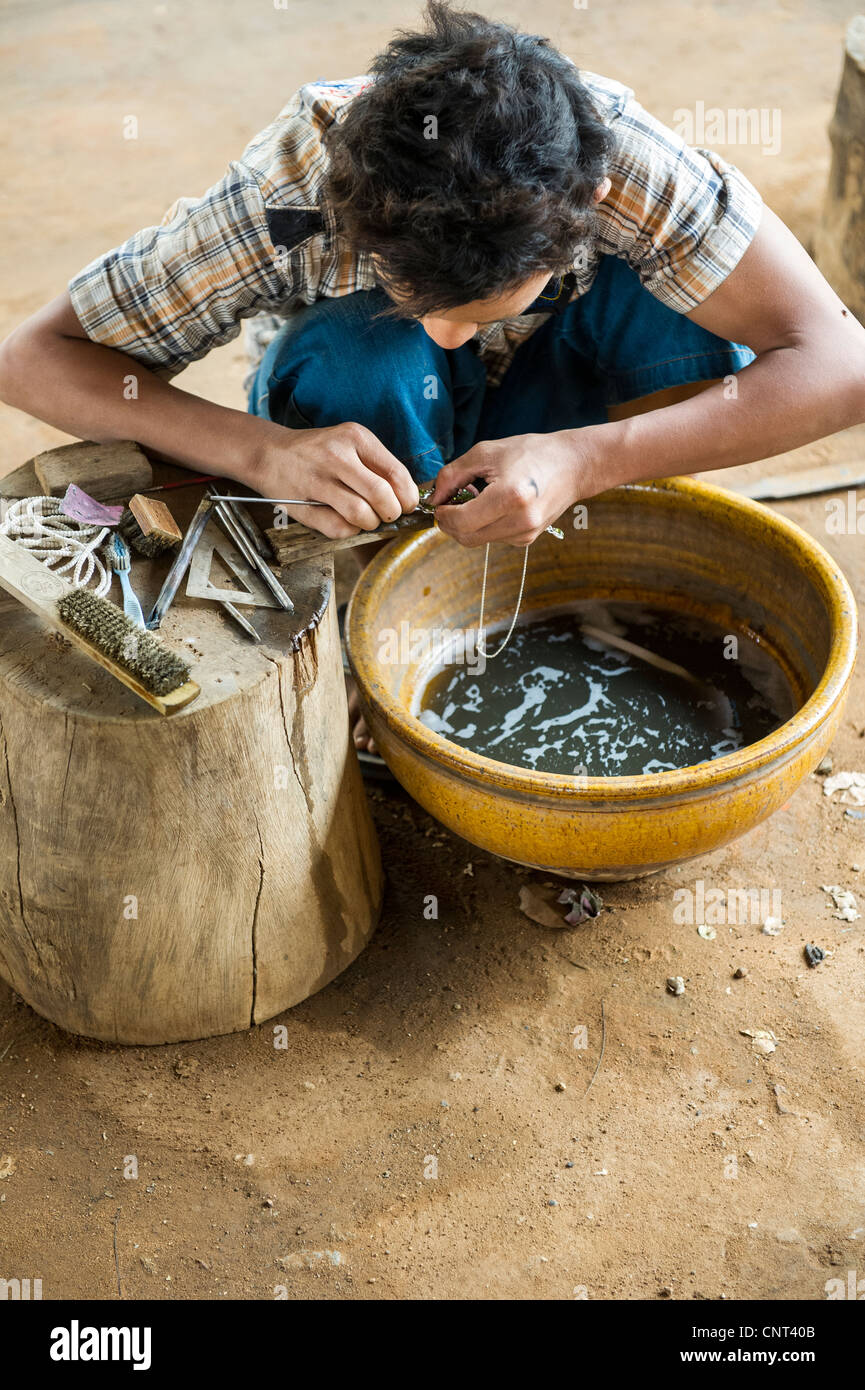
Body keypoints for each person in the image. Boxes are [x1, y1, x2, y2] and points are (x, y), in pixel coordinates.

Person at [2, 2, 863, 755]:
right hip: (375, 420)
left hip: (569, 401)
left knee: (682, 307)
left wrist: (585, 461)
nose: (450, 333)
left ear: (588, 204)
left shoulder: (628, 170)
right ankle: (384, 600)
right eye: (412, 295)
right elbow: (32, 358)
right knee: (359, 350)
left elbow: (839, 365)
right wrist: (262, 453)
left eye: (478, 306)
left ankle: (587, 548)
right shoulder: (294, 189)